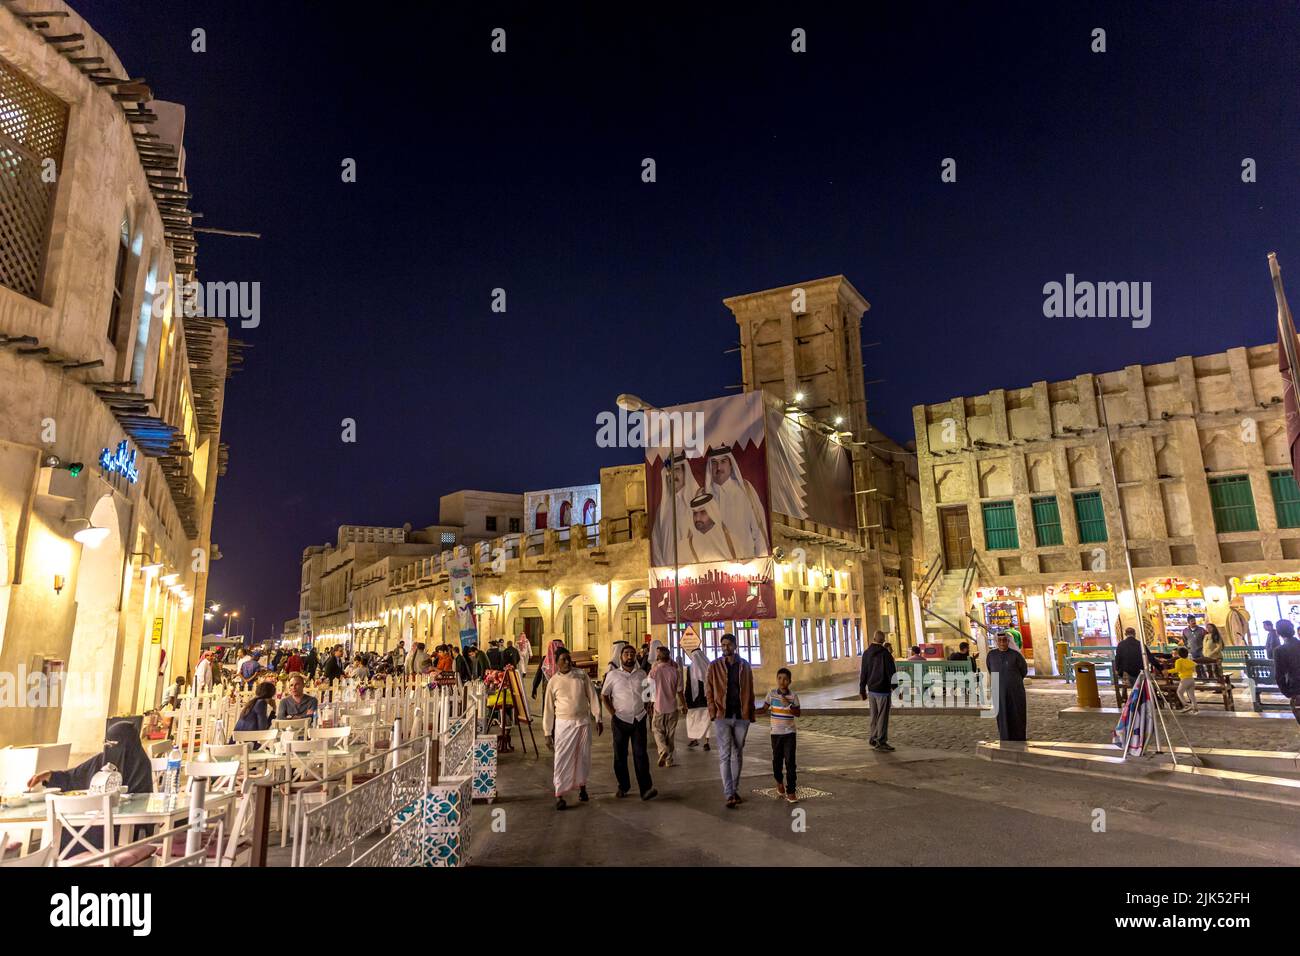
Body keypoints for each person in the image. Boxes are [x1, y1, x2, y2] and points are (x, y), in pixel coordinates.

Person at [28, 723, 153, 848]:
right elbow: (74, 777)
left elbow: (141, 803)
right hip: (93, 824)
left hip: (124, 831)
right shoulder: (101, 760)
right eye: (107, 743)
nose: (110, 748)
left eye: (114, 744)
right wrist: (49, 775)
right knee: (65, 832)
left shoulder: (140, 766)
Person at [543, 648, 604, 810]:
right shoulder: (553, 682)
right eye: (563, 659)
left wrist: (598, 717)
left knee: (583, 757)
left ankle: (582, 788)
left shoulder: (581, 676)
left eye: (569, 659)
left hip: (583, 723)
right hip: (564, 725)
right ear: (556, 662)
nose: (567, 662)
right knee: (562, 758)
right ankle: (559, 794)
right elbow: (548, 709)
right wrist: (547, 732)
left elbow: (592, 696)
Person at [601, 643, 657, 800]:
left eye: (632, 653)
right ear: (621, 657)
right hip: (620, 720)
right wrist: (613, 714)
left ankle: (646, 789)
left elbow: (648, 694)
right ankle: (623, 786)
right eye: (626, 653)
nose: (630, 656)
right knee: (620, 755)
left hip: (639, 719)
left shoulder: (641, 674)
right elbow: (604, 696)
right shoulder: (613, 676)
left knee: (641, 754)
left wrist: (646, 709)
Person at [706, 633, 755, 809]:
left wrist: (751, 714)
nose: (725, 648)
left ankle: (734, 789)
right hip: (722, 716)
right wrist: (712, 711)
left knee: (738, 753)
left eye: (728, 644)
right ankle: (729, 793)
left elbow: (750, 688)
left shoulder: (744, 666)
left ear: (735, 646)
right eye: (723, 645)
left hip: (741, 716)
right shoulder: (714, 666)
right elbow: (709, 690)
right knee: (725, 754)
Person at [704, 443, 768, 557]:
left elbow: (758, 529)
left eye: (723, 462)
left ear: (731, 465)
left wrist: (761, 561)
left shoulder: (745, 490)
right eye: (714, 463)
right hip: (713, 567)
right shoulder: (703, 496)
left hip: (746, 564)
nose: (718, 468)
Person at [766, 667, 801, 803]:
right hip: (775, 733)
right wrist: (750, 712)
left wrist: (789, 705)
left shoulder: (793, 696)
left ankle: (791, 791)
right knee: (777, 760)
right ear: (777, 679)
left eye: (785, 679)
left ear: (789, 681)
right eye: (779, 678)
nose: (782, 681)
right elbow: (764, 708)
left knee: (790, 762)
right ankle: (779, 781)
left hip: (789, 733)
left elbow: (798, 713)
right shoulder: (772, 694)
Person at [986, 631, 1028, 740]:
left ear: (1008, 641)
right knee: (1002, 714)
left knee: (1016, 713)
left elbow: (1023, 670)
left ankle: (1018, 738)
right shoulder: (991, 655)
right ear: (996, 641)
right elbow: (990, 669)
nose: (1002, 643)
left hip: (1015, 690)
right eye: (999, 640)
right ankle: (1005, 737)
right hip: (999, 691)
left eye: (1004, 640)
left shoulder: (1016, 655)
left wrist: (1013, 680)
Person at [648, 646, 685, 767]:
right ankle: (669, 760)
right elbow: (680, 691)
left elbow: (650, 689)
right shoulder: (675, 670)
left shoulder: (653, 671)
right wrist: (684, 704)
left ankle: (663, 750)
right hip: (672, 706)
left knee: (657, 730)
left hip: (658, 705)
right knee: (670, 733)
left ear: (658, 657)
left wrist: (650, 703)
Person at [859, 630, 896, 751]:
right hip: (883, 690)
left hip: (872, 690)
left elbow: (863, 672)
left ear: (874, 638)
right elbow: (891, 673)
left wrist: (862, 689)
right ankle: (881, 741)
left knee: (874, 716)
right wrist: (896, 689)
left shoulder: (866, 653)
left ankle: (873, 737)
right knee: (882, 717)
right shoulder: (886, 654)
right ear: (883, 640)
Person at [684, 644, 712, 750]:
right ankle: (706, 742)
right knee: (706, 721)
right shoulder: (709, 666)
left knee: (692, 721)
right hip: (706, 700)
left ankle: (694, 739)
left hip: (694, 700)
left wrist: (686, 699)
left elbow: (688, 685)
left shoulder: (691, 668)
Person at [1273, 619, 1300, 725]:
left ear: (1278, 632)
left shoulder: (1279, 650)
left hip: (1296, 690)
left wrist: (1287, 693)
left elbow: (1279, 676)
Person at [1168, 646, 1198, 714]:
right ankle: (1195, 709)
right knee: (1191, 695)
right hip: (1191, 679)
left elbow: (1177, 669)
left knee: (1179, 692)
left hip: (1184, 679)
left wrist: (1168, 671)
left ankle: (1186, 705)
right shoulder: (1189, 661)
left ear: (1178, 654)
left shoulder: (1178, 661)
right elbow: (1193, 670)